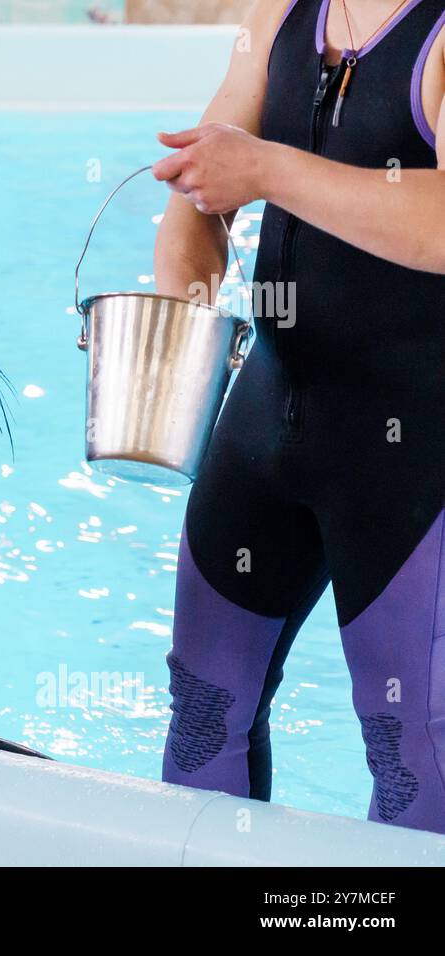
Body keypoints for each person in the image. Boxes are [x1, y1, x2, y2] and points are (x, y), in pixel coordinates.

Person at [152, 0, 445, 833]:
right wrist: (179, 321)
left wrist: (269, 169)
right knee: (205, 713)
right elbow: (201, 185)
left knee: (412, 752)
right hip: (267, 421)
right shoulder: (281, 12)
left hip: (412, 446)